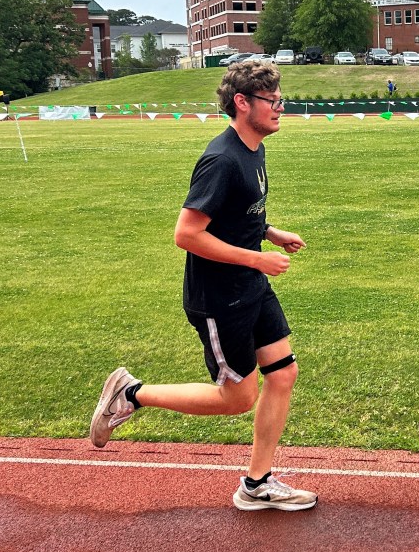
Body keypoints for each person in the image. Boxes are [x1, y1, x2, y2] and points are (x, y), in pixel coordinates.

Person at [89, 60, 317, 512]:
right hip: (220, 299)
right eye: (272, 101)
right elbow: (187, 234)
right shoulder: (222, 158)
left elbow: (237, 212)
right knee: (237, 398)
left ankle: (257, 484)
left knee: (283, 373)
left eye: (279, 100)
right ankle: (130, 393)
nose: (280, 109)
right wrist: (257, 257)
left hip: (249, 285)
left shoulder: (253, 150)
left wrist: (269, 232)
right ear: (242, 103)